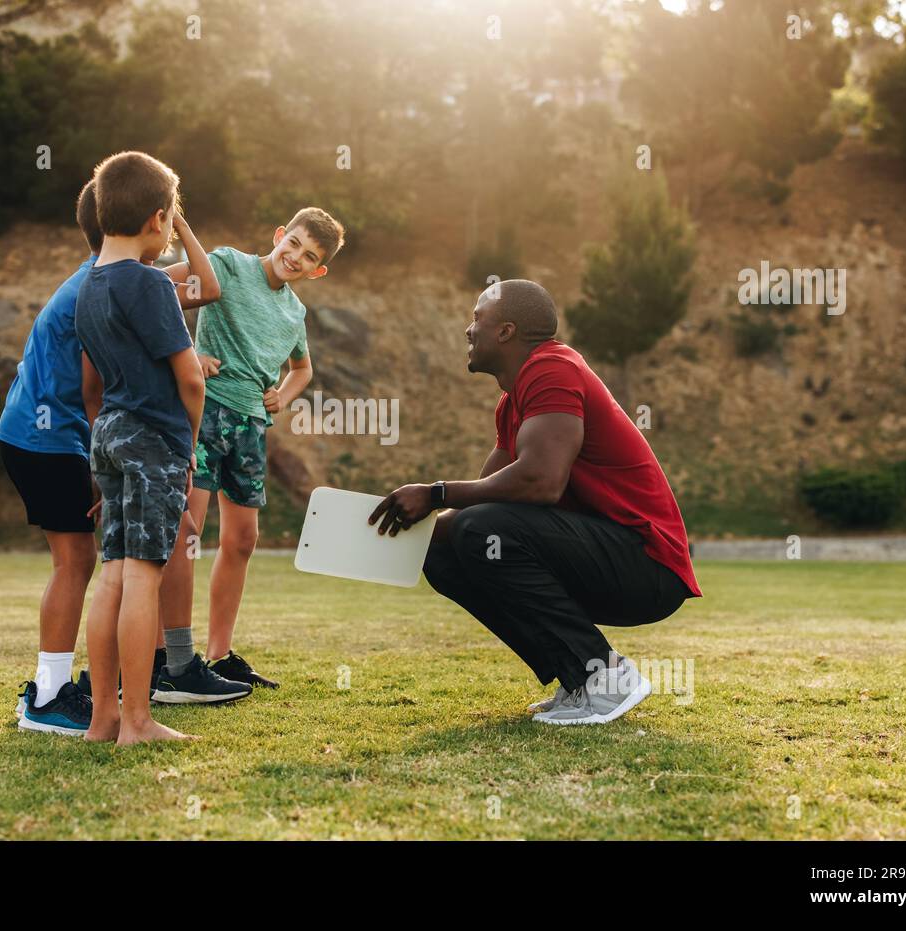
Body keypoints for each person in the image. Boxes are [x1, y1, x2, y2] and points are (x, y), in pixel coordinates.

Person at [369, 279, 701, 726]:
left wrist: (435, 493)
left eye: (476, 318)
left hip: (647, 565)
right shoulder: (513, 403)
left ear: (506, 332)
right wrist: (390, 532)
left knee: (482, 529)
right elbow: (479, 502)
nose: (468, 330)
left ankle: (606, 678)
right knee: (444, 552)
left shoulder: (553, 369)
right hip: (601, 561)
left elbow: (540, 483)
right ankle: (577, 677)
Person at [75, 150, 240, 746]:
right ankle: (138, 721)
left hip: (111, 437)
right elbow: (191, 377)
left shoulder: (90, 285)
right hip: (153, 440)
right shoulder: (147, 284)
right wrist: (190, 443)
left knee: (113, 576)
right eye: (171, 219)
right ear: (157, 218)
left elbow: (93, 381)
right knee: (144, 576)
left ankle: (102, 718)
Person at [158, 207, 345, 689]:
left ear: (318, 270)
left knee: (241, 540)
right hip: (203, 413)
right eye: (294, 244)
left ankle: (219, 656)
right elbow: (154, 293)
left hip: (250, 427)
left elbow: (303, 368)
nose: (296, 258)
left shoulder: (295, 313)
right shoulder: (227, 265)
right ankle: (171, 659)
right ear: (280, 235)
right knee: (188, 534)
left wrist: (283, 394)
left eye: (310, 257)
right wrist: (189, 356)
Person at [0, 179, 102, 736]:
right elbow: (94, 393)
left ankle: (52, 685)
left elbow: (193, 286)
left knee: (77, 562)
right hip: (47, 439)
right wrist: (102, 472)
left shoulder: (101, 275)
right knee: (75, 563)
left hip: (36, 435)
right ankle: (47, 695)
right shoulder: (95, 290)